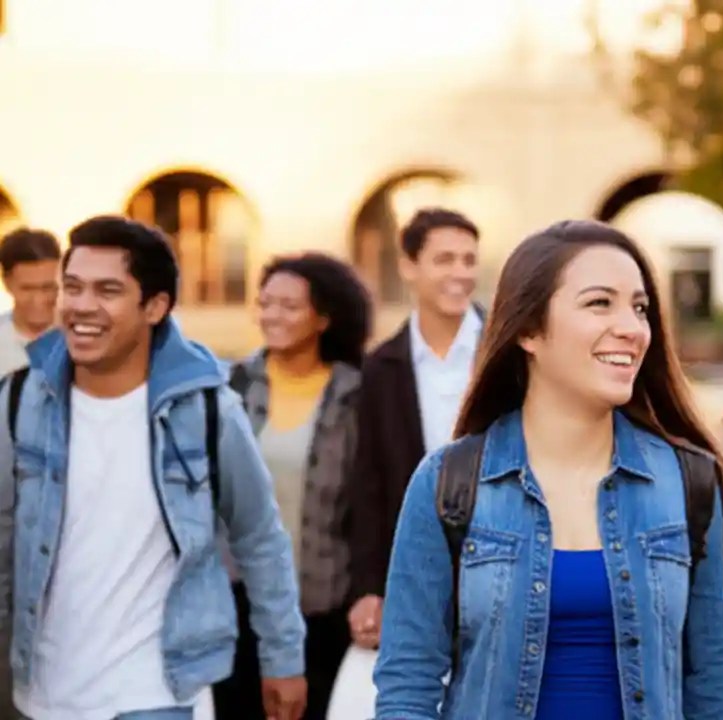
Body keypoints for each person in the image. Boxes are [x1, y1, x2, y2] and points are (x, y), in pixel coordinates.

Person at [372, 220, 723, 719]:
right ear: (529, 330)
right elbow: (407, 685)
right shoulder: (448, 482)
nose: (632, 328)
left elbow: (710, 691)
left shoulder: (690, 482)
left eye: (639, 308)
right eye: (599, 303)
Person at [0, 216, 307, 720]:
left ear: (155, 306)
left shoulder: (207, 410)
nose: (81, 306)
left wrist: (283, 656)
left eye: (107, 291)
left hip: (159, 694)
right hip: (44, 693)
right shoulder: (19, 402)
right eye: (72, 287)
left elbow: (259, 537)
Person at [214, 253, 373, 720]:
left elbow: (371, 504)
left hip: (321, 603)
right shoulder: (231, 387)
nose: (272, 316)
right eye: (265, 304)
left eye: (289, 306)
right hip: (237, 602)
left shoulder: (358, 395)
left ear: (323, 318)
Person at [348, 208, 484, 649]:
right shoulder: (381, 367)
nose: (460, 273)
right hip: (418, 569)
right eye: (444, 260)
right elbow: (368, 484)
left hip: (505, 559)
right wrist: (369, 588)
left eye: (469, 260)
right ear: (409, 266)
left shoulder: (510, 352)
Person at [0, 227, 60, 376]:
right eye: (27, 289)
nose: (39, 299)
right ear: (7, 283)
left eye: (48, 287)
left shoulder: (85, 340)